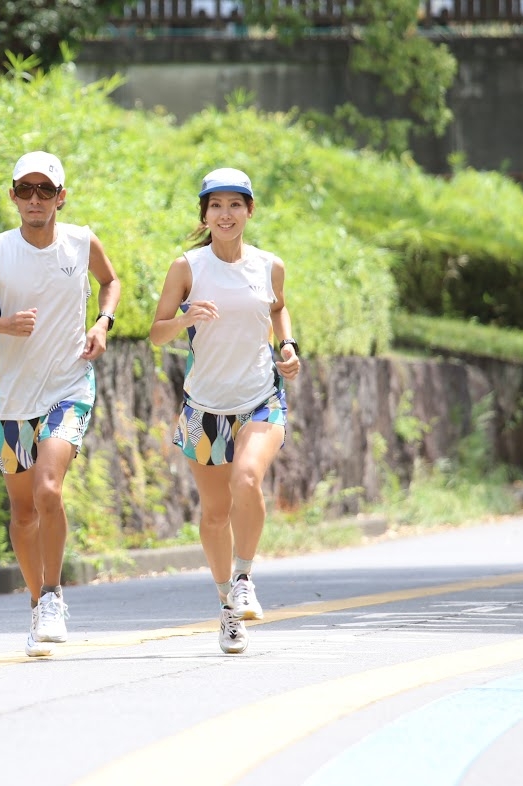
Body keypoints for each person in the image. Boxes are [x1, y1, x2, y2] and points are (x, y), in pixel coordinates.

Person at [0, 151, 121, 657]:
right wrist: (0, 324)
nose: (35, 199)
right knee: (23, 512)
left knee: (48, 489)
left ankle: (52, 595)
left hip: (69, 387)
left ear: (61, 197)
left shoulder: (82, 242)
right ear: (13, 196)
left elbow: (110, 282)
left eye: (46, 190)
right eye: (26, 189)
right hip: (12, 398)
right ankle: (36, 603)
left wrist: (102, 323)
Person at [148, 167, 301, 654]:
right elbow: (156, 332)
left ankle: (244, 578)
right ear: (205, 214)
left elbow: (277, 307)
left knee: (247, 479)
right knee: (215, 514)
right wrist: (185, 319)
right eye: (216, 205)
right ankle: (227, 609)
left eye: (235, 204)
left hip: (259, 398)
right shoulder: (187, 268)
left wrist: (288, 345)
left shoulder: (269, 265)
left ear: (249, 210)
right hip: (204, 408)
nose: (226, 214)